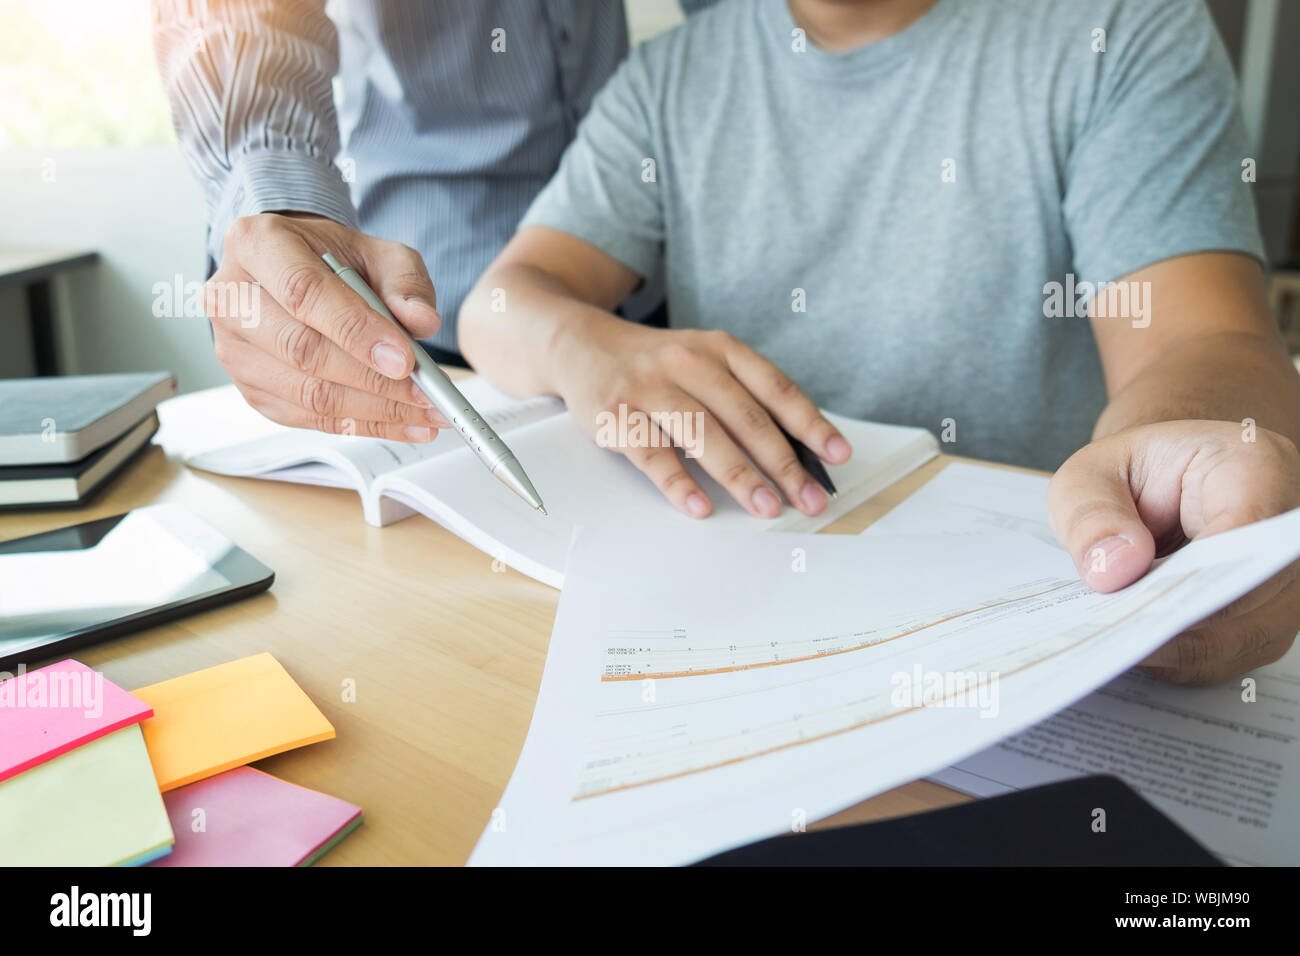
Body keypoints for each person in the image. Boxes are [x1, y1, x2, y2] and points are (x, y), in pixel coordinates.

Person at [458, 0, 1300, 684]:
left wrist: (1190, 445)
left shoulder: (1122, 28)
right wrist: (583, 344)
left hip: (1029, 614)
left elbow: (1200, 340)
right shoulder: (670, 78)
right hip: (741, 610)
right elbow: (500, 301)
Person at [152, 0, 714, 440]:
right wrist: (282, 191)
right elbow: (246, 17)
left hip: (633, 280)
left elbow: (739, 28)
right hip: (414, 308)